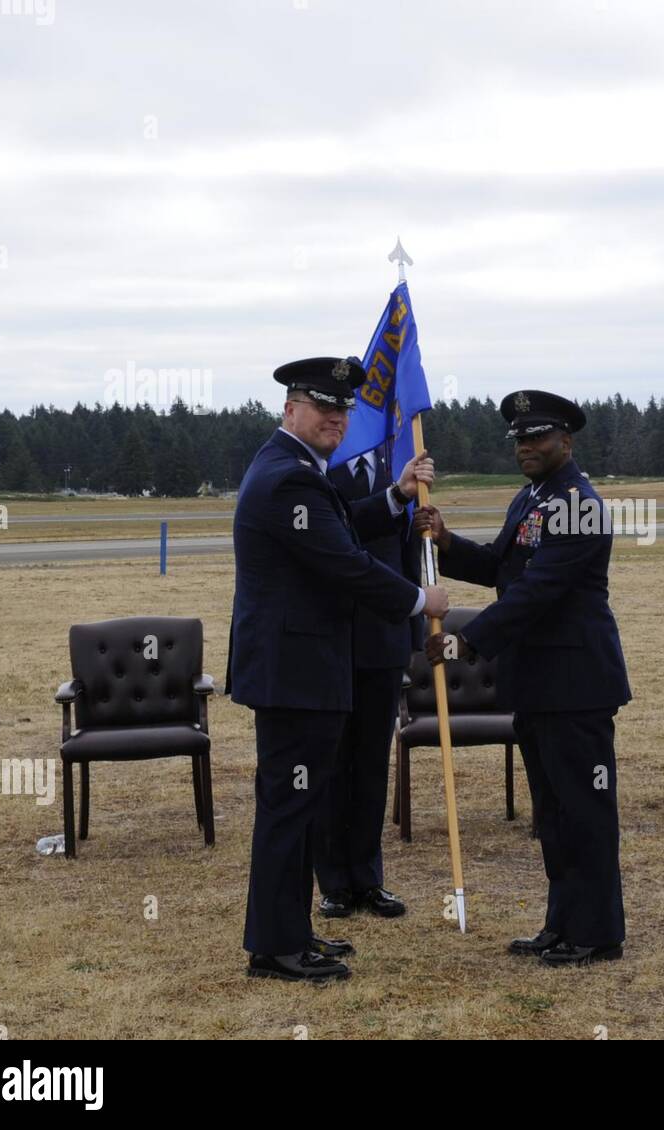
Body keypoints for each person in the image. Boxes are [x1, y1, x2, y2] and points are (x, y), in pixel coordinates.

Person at [226, 355, 448, 982]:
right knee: (288, 809)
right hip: (295, 674)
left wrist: (397, 495)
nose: (335, 418)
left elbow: (342, 525)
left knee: (296, 806)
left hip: (300, 670)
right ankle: (274, 949)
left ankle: (291, 933)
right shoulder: (290, 478)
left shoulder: (295, 471)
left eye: (342, 409)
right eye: (323, 407)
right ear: (291, 408)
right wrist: (418, 599)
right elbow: (346, 563)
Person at [413, 389, 630, 966]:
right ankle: (561, 924)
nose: (526, 447)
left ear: (566, 440)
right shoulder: (532, 498)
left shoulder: (579, 505)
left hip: (577, 683)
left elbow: (537, 593)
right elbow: (502, 570)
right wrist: (447, 542)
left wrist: (467, 640)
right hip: (537, 682)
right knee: (553, 814)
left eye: (537, 437)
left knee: (585, 811)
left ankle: (598, 932)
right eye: (519, 439)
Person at [315, 442, 421, 923]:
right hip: (334, 637)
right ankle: (333, 883)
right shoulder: (319, 473)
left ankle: (368, 877)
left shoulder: (395, 465)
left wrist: (413, 639)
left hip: (383, 639)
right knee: (333, 764)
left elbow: (408, 557)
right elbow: (340, 531)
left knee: (372, 764)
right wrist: (395, 497)